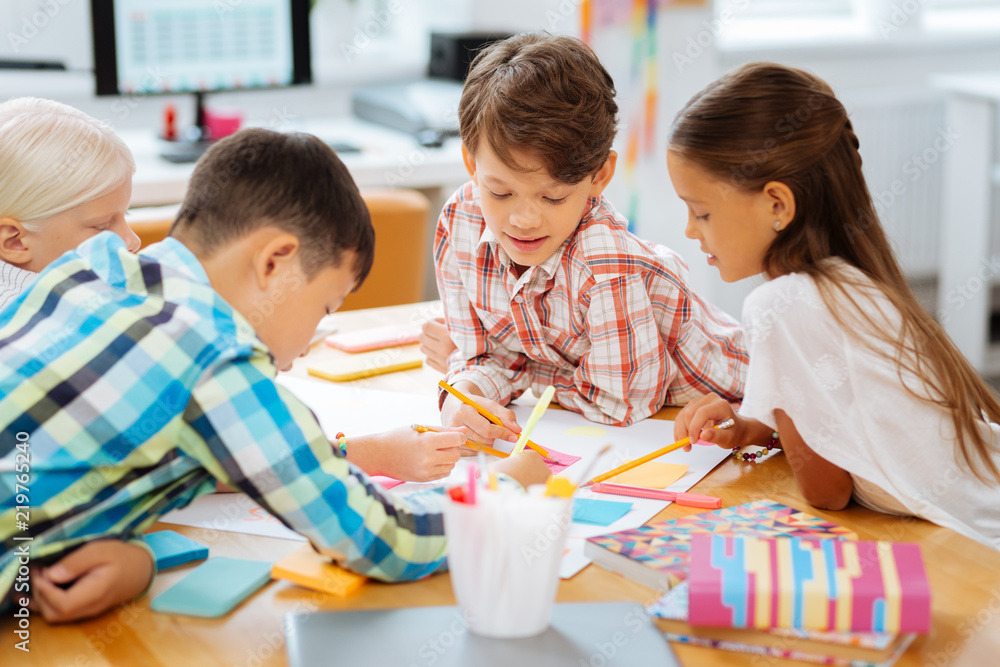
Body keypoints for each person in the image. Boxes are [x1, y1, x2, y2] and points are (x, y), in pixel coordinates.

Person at [0, 128, 551, 623]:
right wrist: (505, 492)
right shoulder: (214, 363)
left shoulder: (91, 264)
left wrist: (135, 560)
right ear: (274, 262)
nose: (304, 344)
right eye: (323, 308)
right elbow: (387, 541)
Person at [669, 62, 1000, 550]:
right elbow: (838, 417)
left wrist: (776, 416)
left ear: (778, 205)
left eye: (702, 212)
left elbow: (828, 492)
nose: (690, 230)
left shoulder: (780, 304)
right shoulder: (847, 283)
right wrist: (747, 429)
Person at [435, 33, 747, 447]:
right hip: (660, 424)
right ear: (471, 163)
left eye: (553, 196)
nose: (524, 220)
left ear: (599, 175)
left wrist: (524, 373)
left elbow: (622, 403)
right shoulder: (460, 221)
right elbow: (482, 358)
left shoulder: (603, 259)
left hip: (747, 402)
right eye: (500, 191)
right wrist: (462, 397)